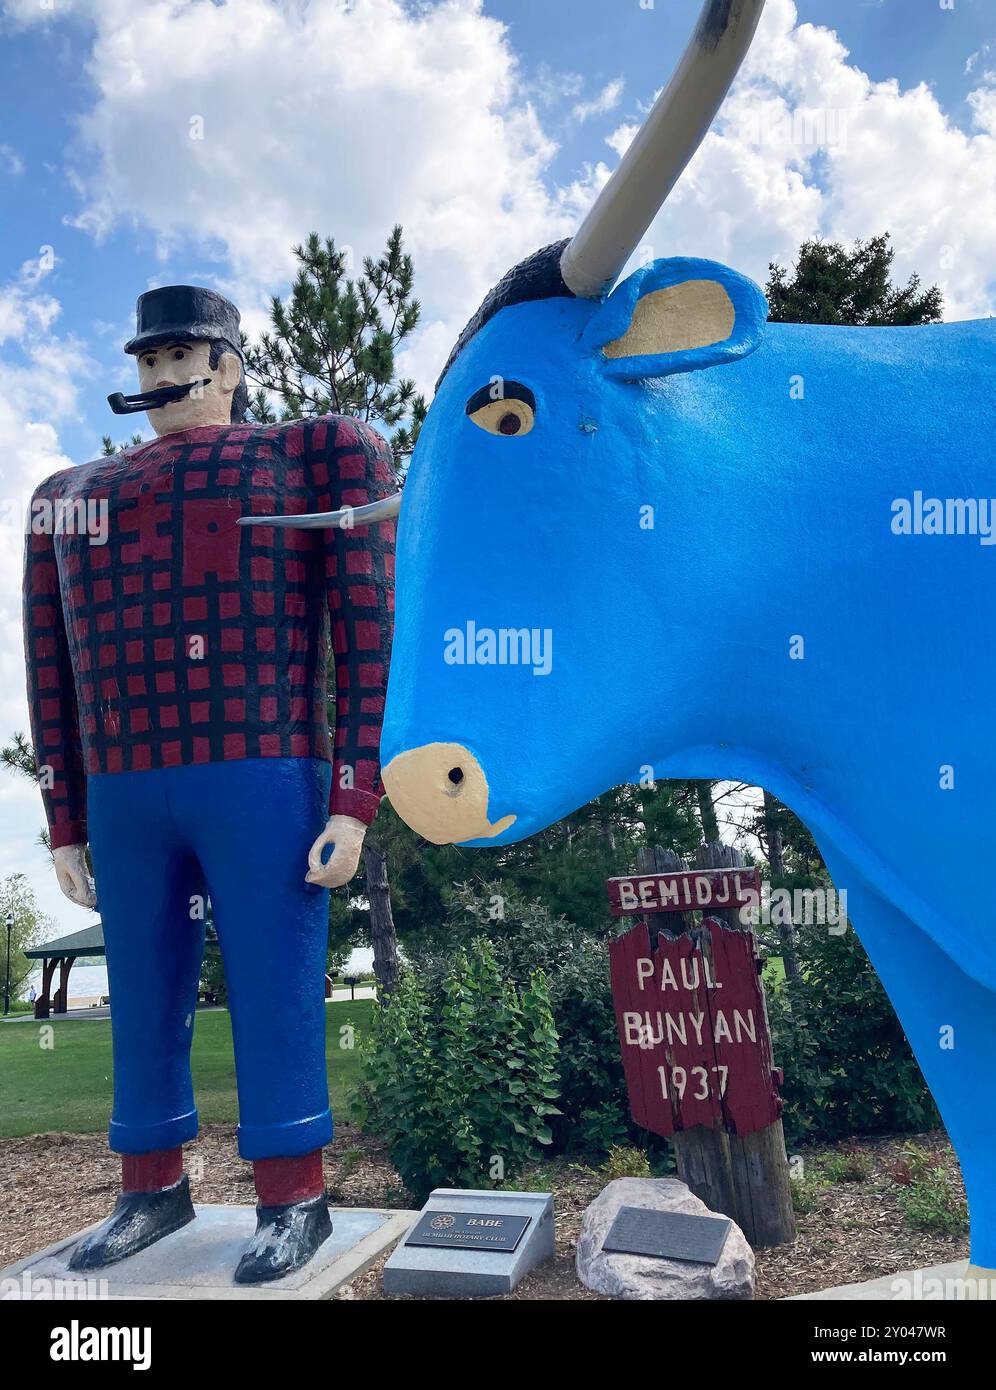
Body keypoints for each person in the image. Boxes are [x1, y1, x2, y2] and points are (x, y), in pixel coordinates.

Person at [23, 285, 398, 1283]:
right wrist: (65, 819)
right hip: (124, 782)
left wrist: (354, 796)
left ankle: (294, 1192)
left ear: (229, 364)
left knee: (277, 979)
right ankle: (149, 1184)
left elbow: (367, 631)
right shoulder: (65, 496)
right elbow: (47, 666)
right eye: (144, 361)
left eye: (177, 355)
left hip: (264, 765)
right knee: (142, 987)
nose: (155, 379)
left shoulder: (317, 454)